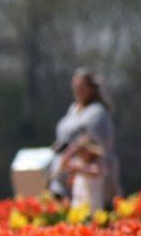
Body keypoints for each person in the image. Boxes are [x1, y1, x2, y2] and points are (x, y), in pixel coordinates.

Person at [50, 67, 121, 206]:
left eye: (81, 87)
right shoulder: (73, 109)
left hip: (90, 173)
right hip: (69, 172)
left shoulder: (97, 112)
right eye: (75, 86)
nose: (76, 90)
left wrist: (77, 154)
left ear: (91, 88)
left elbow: (100, 147)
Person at [59, 136, 106, 212]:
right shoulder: (78, 162)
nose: (80, 154)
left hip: (93, 205)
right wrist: (70, 150)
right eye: (79, 152)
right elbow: (63, 166)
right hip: (78, 205)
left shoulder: (96, 163)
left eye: (83, 151)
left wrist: (78, 169)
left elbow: (94, 172)